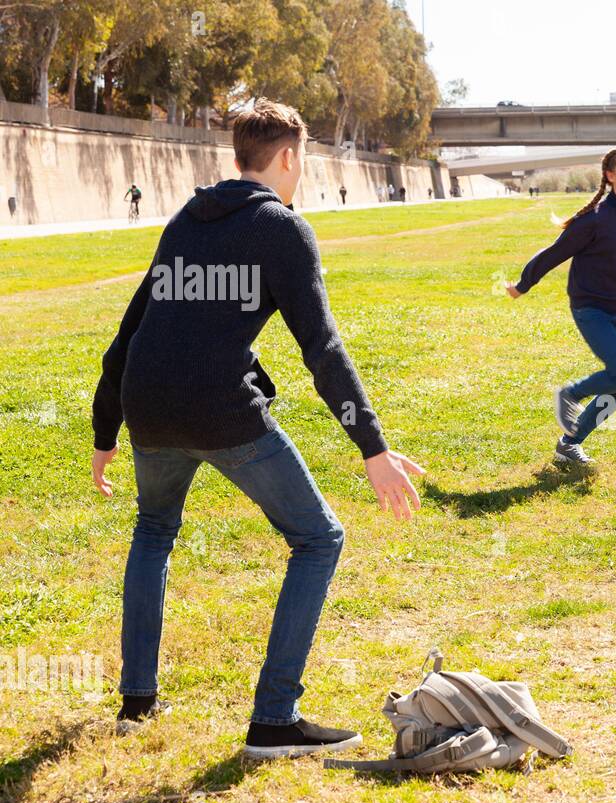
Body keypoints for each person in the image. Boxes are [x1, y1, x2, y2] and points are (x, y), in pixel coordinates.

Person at [91, 99, 425, 758]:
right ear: (289, 157)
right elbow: (322, 349)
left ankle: (137, 703)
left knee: (154, 530)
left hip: (147, 404)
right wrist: (373, 447)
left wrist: (107, 428)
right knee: (319, 538)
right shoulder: (282, 228)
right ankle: (274, 719)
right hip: (217, 409)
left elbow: (133, 326)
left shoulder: (189, 216)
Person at [506, 146, 616, 464]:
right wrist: (522, 285)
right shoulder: (594, 219)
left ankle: (569, 444)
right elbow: (553, 254)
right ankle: (570, 394)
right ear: (610, 176)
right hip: (590, 308)